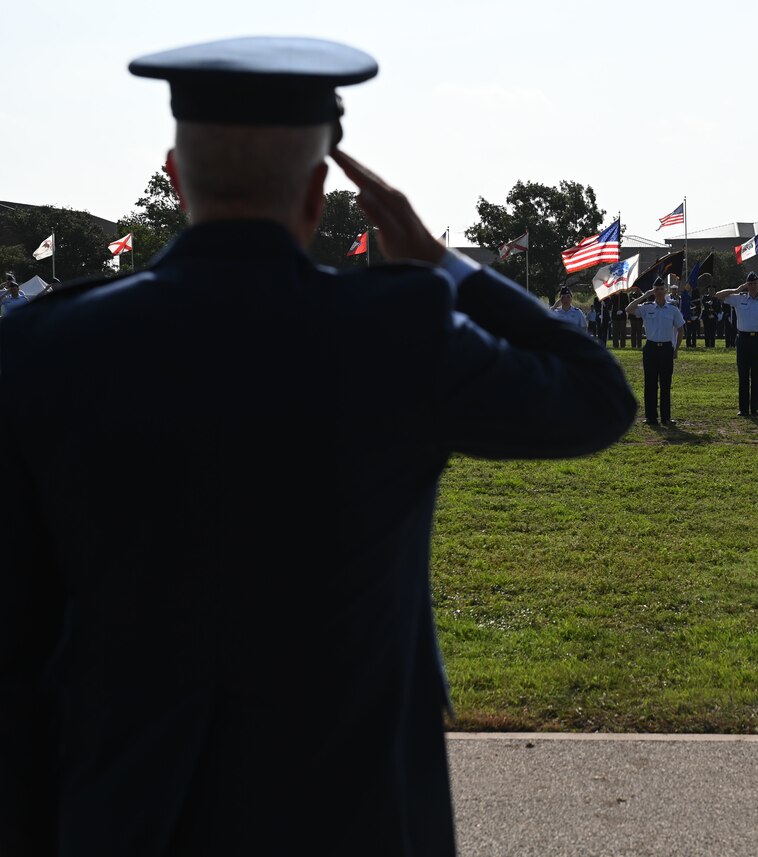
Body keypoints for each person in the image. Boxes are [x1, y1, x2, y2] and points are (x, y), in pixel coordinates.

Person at [0, 37, 636, 857]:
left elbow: (15, 656)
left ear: (174, 175)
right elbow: (596, 397)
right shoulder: (396, 331)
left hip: (128, 816)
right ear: (318, 190)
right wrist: (447, 268)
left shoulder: (43, 347)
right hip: (354, 814)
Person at [627, 276, 685, 426]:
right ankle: (651, 417)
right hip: (651, 348)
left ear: (666, 290)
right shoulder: (646, 307)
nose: (659, 292)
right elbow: (629, 309)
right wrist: (645, 295)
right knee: (650, 384)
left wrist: (676, 349)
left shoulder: (673, 309)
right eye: (656, 289)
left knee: (665, 384)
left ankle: (666, 417)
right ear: (653, 291)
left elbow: (680, 329)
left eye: (661, 289)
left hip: (666, 348)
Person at [716, 271, 758, 416]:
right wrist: (737, 289)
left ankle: (754, 408)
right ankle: (743, 409)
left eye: (755, 284)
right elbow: (718, 295)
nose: (752, 286)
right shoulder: (739, 298)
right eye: (750, 284)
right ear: (746, 285)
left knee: (756, 376)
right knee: (743, 376)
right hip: (743, 340)